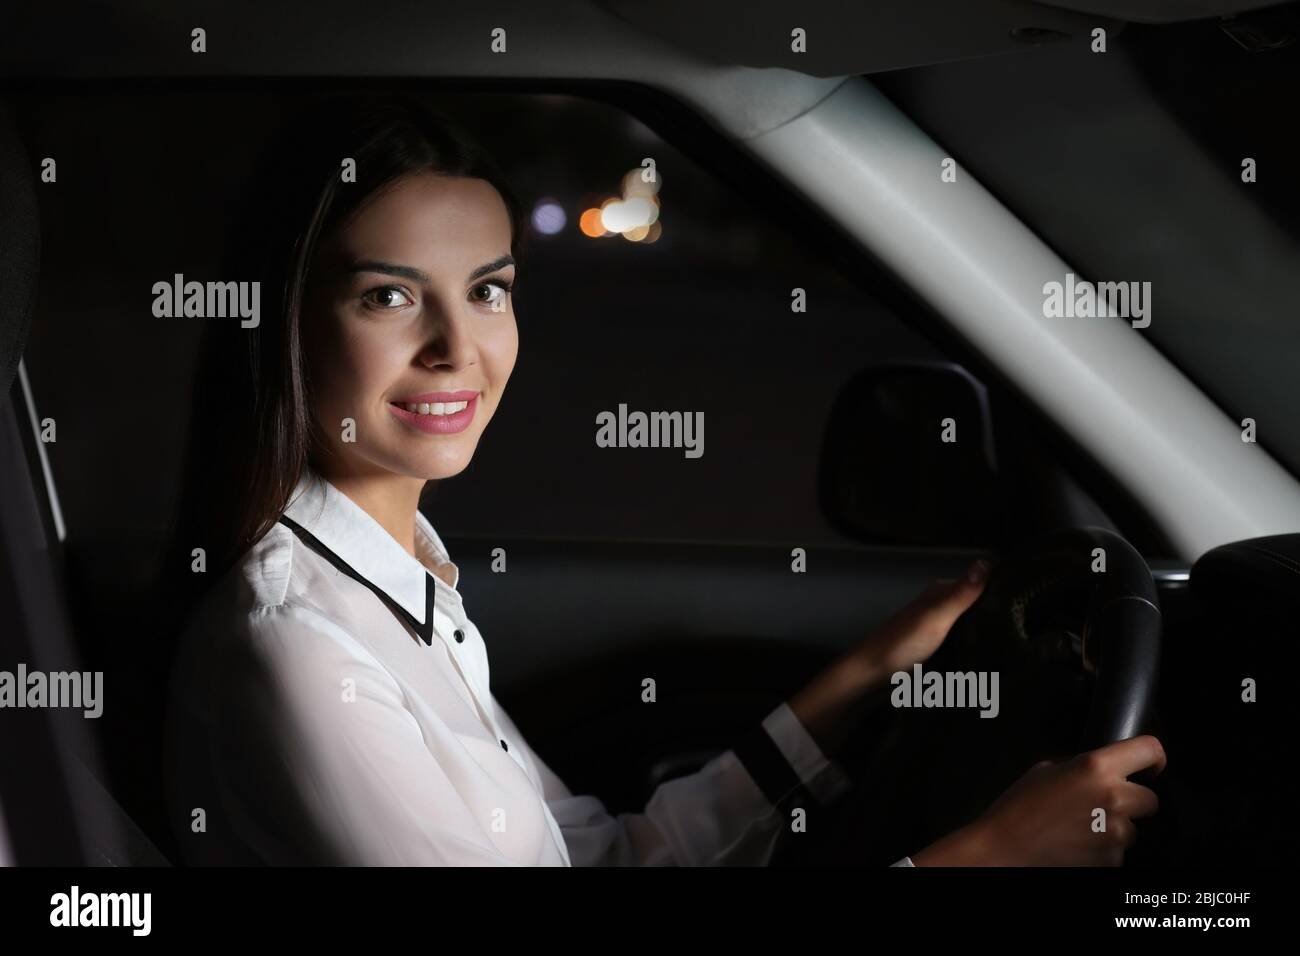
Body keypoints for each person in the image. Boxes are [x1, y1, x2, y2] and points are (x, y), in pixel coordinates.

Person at [161, 95, 1165, 866]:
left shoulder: (399, 585)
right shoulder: (295, 645)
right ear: (286, 323)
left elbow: (610, 857)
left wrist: (860, 681)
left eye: (488, 291)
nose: (456, 350)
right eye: (389, 295)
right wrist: (984, 855)